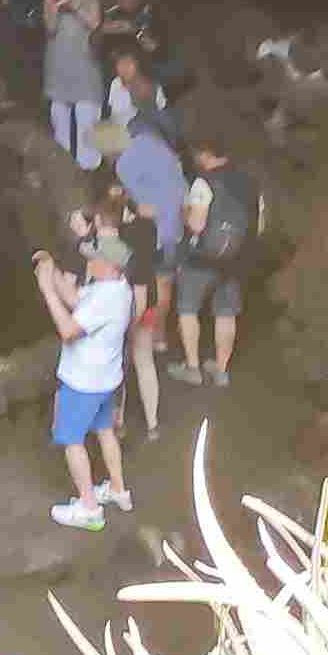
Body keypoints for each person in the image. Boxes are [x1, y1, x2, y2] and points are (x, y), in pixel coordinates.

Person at [34, 228, 136, 531]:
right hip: (105, 378)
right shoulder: (117, 287)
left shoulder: (106, 296)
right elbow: (79, 300)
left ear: (109, 265)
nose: (88, 261)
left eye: (94, 258)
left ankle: (89, 507)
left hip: (83, 382)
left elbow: (68, 330)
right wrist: (51, 270)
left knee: (70, 439)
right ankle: (118, 490)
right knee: (105, 430)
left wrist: (47, 291)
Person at [109, 109, 188, 433]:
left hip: (131, 303)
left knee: (120, 363)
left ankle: (118, 420)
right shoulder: (149, 231)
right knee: (145, 362)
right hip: (151, 303)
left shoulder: (121, 238)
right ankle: (154, 422)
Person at [175, 139, 257, 387]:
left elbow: (197, 224)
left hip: (202, 258)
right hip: (233, 259)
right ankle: (221, 370)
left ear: (205, 154)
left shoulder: (203, 182)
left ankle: (192, 367)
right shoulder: (246, 182)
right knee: (226, 313)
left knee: (187, 309)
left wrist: (185, 212)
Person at [41, 0, 105, 168]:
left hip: (84, 68)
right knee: (59, 116)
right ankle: (63, 166)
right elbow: (50, 29)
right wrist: (53, 6)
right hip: (58, 67)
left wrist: (73, 6)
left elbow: (94, 23)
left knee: (86, 116)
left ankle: (89, 166)